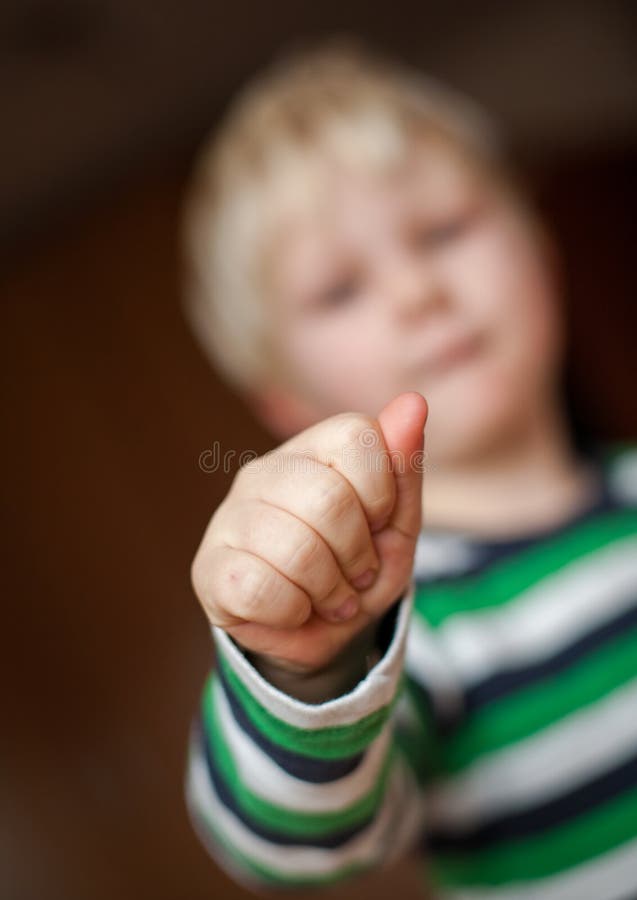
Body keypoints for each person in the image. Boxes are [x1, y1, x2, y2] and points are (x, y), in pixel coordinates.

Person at [181, 39, 637, 899]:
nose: (416, 292)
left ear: (538, 253)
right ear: (285, 403)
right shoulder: (391, 620)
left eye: (443, 230)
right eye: (339, 290)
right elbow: (287, 851)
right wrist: (304, 669)